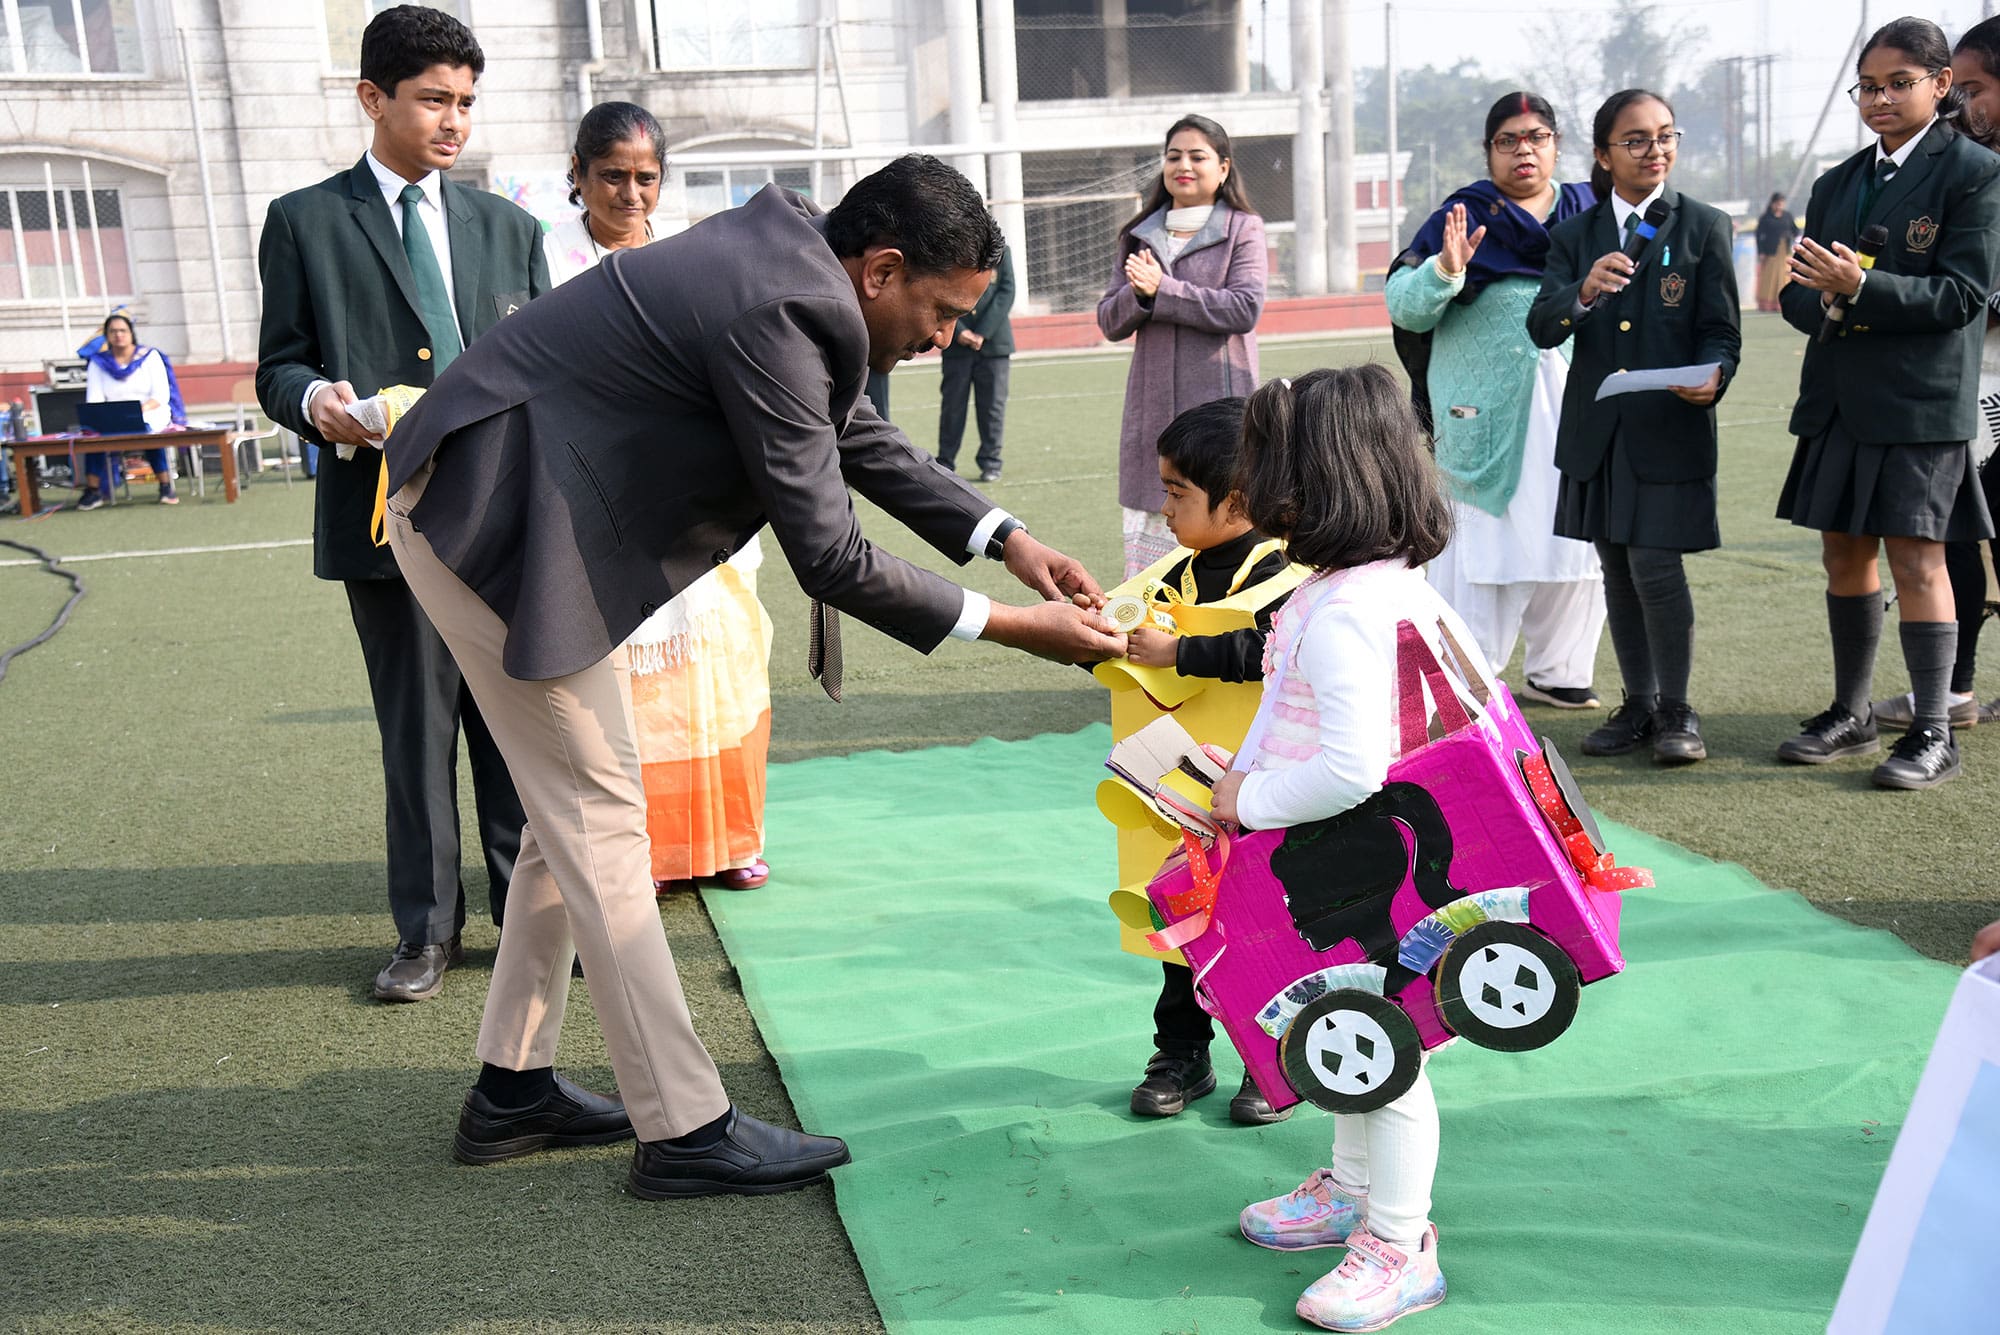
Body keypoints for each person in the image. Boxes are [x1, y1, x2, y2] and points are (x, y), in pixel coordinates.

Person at [377, 154, 1124, 1197]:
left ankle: (513, 1087)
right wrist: (1010, 626)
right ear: (881, 269)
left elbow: (850, 431)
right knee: (599, 821)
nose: (949, 338)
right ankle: (684, 1131)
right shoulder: (783, 302)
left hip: (506, 506)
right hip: (490, 523)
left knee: (575, 816)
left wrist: (1006, 538)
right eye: (944, 311)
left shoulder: (798, 273)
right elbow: (831, 556)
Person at [255, 4, 543, 1002]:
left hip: (502, 516)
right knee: (416, 730)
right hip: (387, 519)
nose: (452, 119)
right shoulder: (305, 221)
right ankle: (426, 932)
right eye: (432, 99)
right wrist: (313, 401)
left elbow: (543, 367)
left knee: (514, 725)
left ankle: (526, 917)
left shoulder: (511, 228)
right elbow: (276, 364)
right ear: (372, 98)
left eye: (465, 101)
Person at [1207, 365, 1474, 1332]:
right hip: (1348, 861)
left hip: (1353, 858)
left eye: (1272, 472)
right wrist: (1238, 769)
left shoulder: (1349, 609)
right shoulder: (1362, 587)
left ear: (1317, 485)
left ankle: (1399, 1244)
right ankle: (1355, 1192)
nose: (1257, 495)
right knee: (1350, 1026)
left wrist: (1247, 795)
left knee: (1384, 1051)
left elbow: (1354, 767)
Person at [544, 101, 779, 895]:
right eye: (612, 176)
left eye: (646, 177)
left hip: (698, 496)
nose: (631, 193)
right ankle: (645, 852)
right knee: (629, 681)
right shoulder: (544, 262)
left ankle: (727, 837)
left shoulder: (688, 256)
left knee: (718, 665)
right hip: (597, 502)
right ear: (577, 176)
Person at [1776, 17, 2000, 791]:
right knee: (1842, 552)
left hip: (1918, 404)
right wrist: (1828, 302)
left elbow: (1964, 295)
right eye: (1867, 86)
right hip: (1837, 398)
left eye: (1898, 83)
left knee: (1917, 556)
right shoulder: (1837, 183)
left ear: (1941, 86)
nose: (1879, 99)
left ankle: (1936, 728)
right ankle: (1852, 710)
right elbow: (1795, 297)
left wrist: (1860, 289)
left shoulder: (1973, 172)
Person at [1528, 89, 1742, 767]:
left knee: (1654, 564)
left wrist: (1715, 375)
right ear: (1602, 154)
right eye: (1637, 140)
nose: (1656, 151)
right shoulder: (1573, 236)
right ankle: (1640, 704)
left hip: (1668, 426)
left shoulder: (1703, 225)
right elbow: (1541, 324)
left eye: (1666, 136)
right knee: (1615, 567)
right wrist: (1583, 292)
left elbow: (1721, 332)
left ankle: (1678, 708)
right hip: (1599, 432)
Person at [1387, 91, 1606, 711]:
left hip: (1578, 411)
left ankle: (1560, 668)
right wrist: (1446, 271)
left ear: (1556, 146)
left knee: (1578, 541)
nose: (1523, 150)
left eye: (1536, 137)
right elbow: (1405, 306)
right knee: (1484, 544)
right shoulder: (1463, 216)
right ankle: (1465, 674)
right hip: (1484, 418)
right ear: (1490, 153)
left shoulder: (1592, 211)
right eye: (1508, 140)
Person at [1118, 396, 1293, 1127]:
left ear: (1239, 503)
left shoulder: (1289, 573)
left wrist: (1184, 651)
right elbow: (1136, 627)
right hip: (1179, 792)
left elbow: (1274, 652)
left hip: (1262, 788)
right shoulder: (1175, 572)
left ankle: (1272, 1053)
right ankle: (1182, 1051)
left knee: (1263, 920)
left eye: (1176, 493)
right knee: (1179, 920)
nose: (1163, 508)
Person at [1869, 17, 2000, 734]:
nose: (1968, 106)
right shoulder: (1957, 166)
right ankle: (1954, 688)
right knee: (1952, 535)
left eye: (1977, 88)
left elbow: (1968, 288)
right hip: (1965, 386)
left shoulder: (1981, 177)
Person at [1098, 114, 1267, 578]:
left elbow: (1244, 308)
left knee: (1225, 514)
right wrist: (1141, 294)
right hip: (1152, 408)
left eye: (1198, 156)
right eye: (1174, 156)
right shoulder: (1139, 234)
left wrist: (1165, 290)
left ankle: (1219, 643)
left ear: (1224, 168)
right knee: (1156, 528)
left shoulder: (1242, 228)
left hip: (1220, 405)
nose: (1183, 165)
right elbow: (1109, 320)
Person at [77, 312, 186, 509]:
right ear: (107, 336)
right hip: (111, 415)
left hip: (150, 411)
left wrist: (137, 411)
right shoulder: (98, 362)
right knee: (93, 434)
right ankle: (93, 492)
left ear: (131, 333)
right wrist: (113, 414)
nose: (118, 335)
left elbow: (160, 396)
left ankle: (165, 486)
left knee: (148, 431)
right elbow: (94, 399)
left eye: (122, 331)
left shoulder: (150, 357)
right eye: (113, 331)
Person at [937, 241, 1015, 483]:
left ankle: (991, 461)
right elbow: (940, 291)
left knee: (992, 407)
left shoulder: (1001, 250)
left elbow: (1007, 290)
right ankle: (945, 462)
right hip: (956, 343)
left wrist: (983, 331)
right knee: (953, 407)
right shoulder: (947, 249)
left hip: (993, 344)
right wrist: (959, 330)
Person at [1755, 192, 1800, 313]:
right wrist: (1761, 251)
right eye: (1777, 203)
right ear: (1772, 203)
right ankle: (1767, 304)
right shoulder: (1766, 218)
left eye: (1781, 203)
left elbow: (1795, 230)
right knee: (1770, 277)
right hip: (1771, 252)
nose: (1779, 206)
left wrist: (1793, 239)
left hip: (1785, 251)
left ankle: (1783, 302)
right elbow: (1759, 235)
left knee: (1784, 276)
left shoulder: (1787, 216)